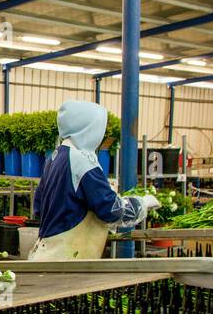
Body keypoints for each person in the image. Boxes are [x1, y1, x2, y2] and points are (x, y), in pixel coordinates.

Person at [29, 100, 158, 261]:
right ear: (89, 128)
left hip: (46, 251)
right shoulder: (82, 162)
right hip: (68, 258)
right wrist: (141, 204)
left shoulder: (54, 158)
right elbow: (111, 210)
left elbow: (39, 207)